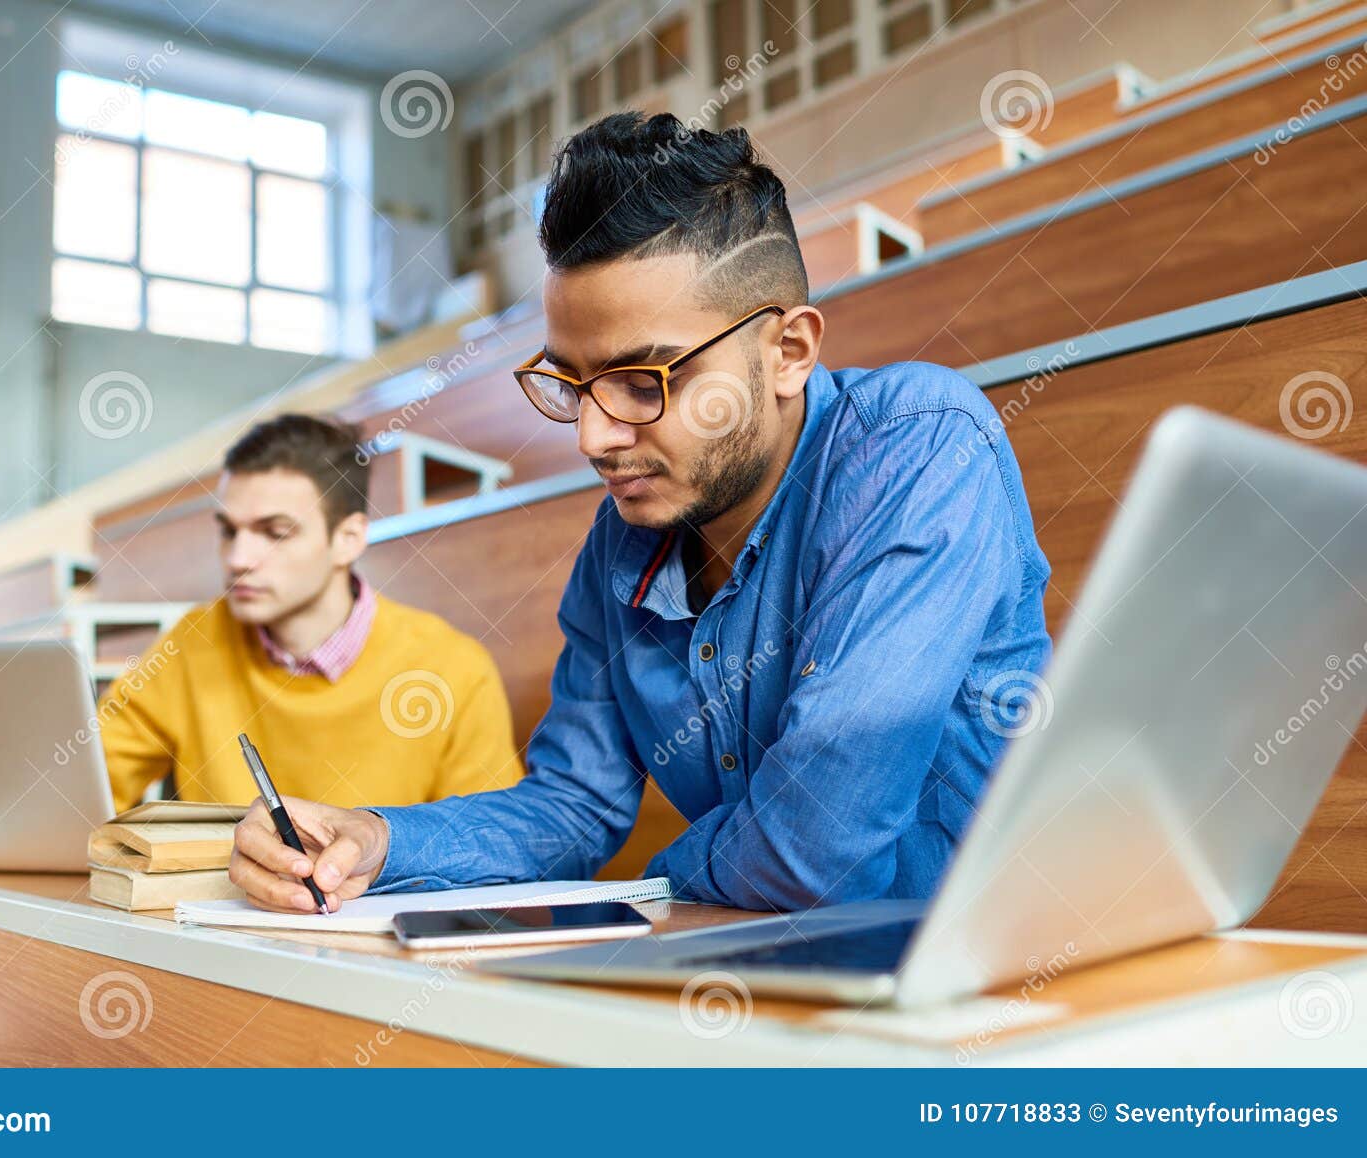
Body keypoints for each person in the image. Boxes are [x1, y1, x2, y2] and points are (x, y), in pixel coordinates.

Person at [228, 111, 1052, 913]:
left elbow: (815, 842)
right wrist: (376, 841)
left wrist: (655, 882)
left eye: (644, 381)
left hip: (1004, 971)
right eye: (572, 384)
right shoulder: (621, 541)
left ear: (789, 353)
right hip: (770, 970)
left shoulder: (922, 446)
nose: (593, 437)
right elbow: (574, 805)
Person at [99, 413, 524, 813]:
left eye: (275, 532)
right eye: (229, 531)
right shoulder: (194, 640)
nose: (238, 558)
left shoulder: (453, 668)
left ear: (348, 539)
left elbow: (486, 842)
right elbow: (84, 790)